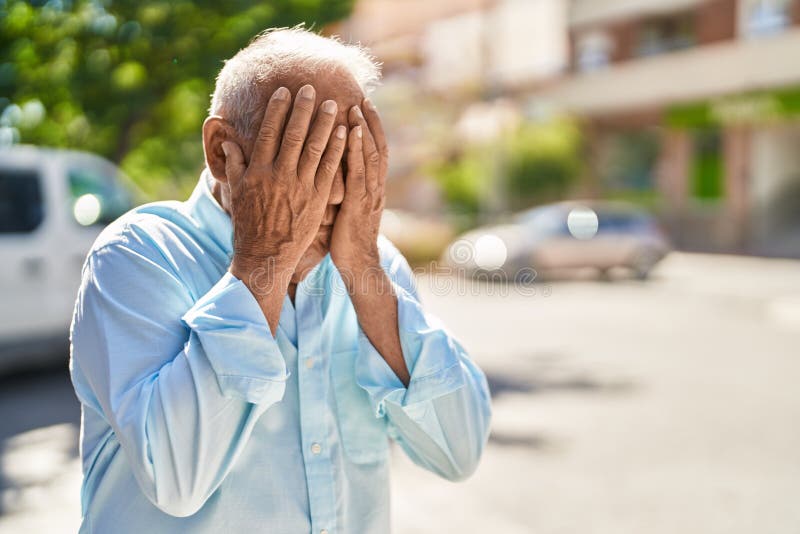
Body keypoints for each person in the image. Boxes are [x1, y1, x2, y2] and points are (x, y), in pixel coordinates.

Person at [70, 27, 491, 534]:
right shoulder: (138, 255)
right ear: (222, 151)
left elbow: (458, 451)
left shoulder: (369, 261)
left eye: (352, 152)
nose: (337, 190)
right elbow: (177, 481)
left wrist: (362, 268)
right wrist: (261, 260)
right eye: (307, 155)